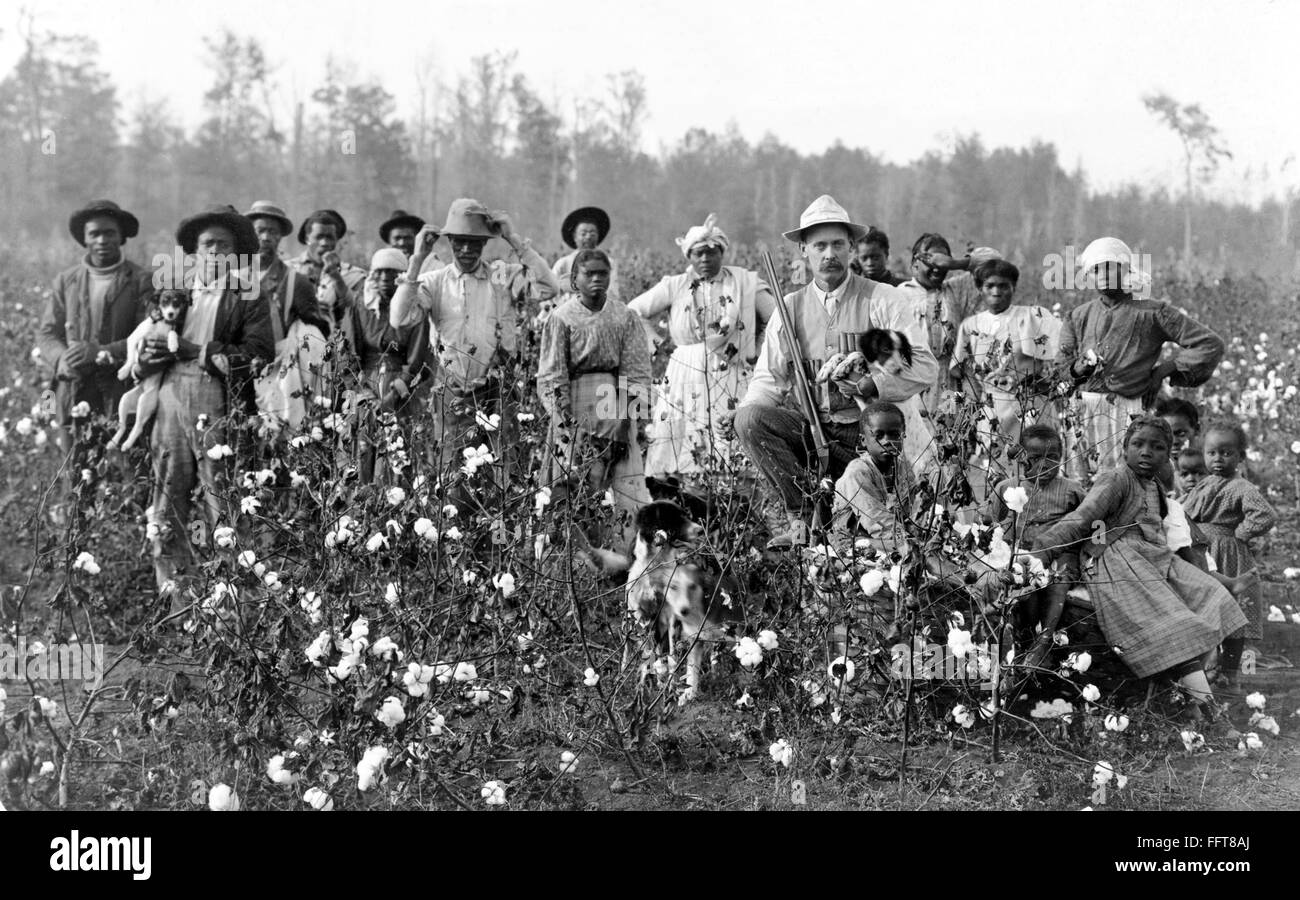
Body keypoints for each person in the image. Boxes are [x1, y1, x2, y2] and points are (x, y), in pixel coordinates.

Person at [734, 195, 936, 549]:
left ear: (852, 248)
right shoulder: (789, 309)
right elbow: (768, 380)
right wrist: (739, 414)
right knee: (749, 420)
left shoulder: (883, 298)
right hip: (814, 434)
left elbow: (924, 366)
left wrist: (873, 382)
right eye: (820, 245)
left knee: (883, 533)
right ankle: (802, 513)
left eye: (838, 245)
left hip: (872, 437)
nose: (830, 254)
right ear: (803, 251)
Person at [1024, 416, 1247, 719]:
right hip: (1117, 562)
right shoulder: (1116, 479)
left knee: (1219, 601)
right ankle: (1209, 714)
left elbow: (1165, 533)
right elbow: (1082, 520)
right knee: (1175, 625)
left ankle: (1197, 697)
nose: (1146, 452)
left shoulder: (1154, 486)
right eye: (1138, 445)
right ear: (1124, 449)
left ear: (1168, 455)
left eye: (1157, 447)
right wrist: (1040, 553)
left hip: (1154, 559)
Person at [140, 205, 273, 596]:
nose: (214, 252)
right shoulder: (175, 291)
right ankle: (176, 598)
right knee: (167, 493)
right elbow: (149, 337)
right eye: (207, 244)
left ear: (236, 253)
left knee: (222, 496)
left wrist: (198, 350)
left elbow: (258, 354)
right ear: (194, 251)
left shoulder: (247, 296)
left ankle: (230, 600)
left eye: (224, 245)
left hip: (218, 397)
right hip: (169, 396)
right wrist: (150, 356)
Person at [389, 198, 561, 472]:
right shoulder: (435, 281)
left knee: (506, 473)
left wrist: (514, 240)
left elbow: (548, 288)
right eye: (459, 241)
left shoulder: (500, 276)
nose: (467, 249)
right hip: (453, 392)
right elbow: (399, 317)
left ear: (484, 244)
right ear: (450, 242)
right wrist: (417, 259)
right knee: (453, 476)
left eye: (475, 242)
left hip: (498, 389)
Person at [1056, 237, 1223, 479]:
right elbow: (1059, 366)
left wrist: (1164, 369)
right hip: (1082, 410)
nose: (1102, 274)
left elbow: (1209, 344)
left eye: (1109, 266)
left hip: (1129, 408)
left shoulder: (1152, 312)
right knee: (1080, 480)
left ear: (1125, 269)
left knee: (1126, 479)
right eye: (1095, 269)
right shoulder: (1078, 316)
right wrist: (1076, 369)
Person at [626, 213, 775, 485]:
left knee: (730, 438)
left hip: (732, 368)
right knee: (680, 442)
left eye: (711, 252)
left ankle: (733, 498)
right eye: (698, 254)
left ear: (721, 252)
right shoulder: (675, 285)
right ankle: (686, 494)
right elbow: (634, 310)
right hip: (686, 370)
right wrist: (653, 338)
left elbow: (776, 318)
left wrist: (757, 347)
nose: (705, 259)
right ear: (689, 257)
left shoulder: (745, 283)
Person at [37, 200, 154, 517]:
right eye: (95, 234)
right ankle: (75, 547)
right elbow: (47, 333)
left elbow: (147, 336)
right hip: (75, 389)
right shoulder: (67, 281)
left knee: (132, 464)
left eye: (110, 233)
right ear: (84, 239)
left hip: (122, 388)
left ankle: (131, 545)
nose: (102, 240)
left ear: (122, 238)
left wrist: (101, 352)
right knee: (76, 469)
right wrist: (62, 359)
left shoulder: (141, 280)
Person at [536, 249, 651, 545]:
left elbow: (636, 372)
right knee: (575, 485)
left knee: (626, 489)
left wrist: (627, 421)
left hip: (616, 406)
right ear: (575, 280)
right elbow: (552, 376)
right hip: (576, 407)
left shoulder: (624, 316)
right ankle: (577, 563)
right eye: (589, 274)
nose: (597, 279)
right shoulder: (561, 318)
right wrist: (565, 426)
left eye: (603, 273)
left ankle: (622, 561)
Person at [983, 423, 1086, 668]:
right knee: (1020, 580)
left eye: (1052, 458)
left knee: (1058, 580)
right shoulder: (1008, 487)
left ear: (1061, 458)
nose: (1044, 464)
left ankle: (1044, 639)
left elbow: (1091, 522)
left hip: (1060, 552)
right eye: (1036, 457)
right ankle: (1025, 635)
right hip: (1019, 551)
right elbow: (989, 523)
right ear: (1021, 457)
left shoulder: (1072, 490)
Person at [1181, 421, 1277, 676]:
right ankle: (1204, 671)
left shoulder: (1240, 487)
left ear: (1240, 456)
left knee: (1235, 615)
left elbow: (1265, 515)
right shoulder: (1204, 483)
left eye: (1226, 453)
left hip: (1227, 554)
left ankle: (1232, 674)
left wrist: (1240, 533)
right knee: (1202, 609)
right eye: (1211, 453)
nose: (1218, 459)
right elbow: (1187, 508)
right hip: (1200, 551)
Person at [949, 259, 1060, 475]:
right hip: (991, 406)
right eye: (990, 286)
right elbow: (965, 371)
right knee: (994, 465)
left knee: (1033, 462)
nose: (996, 291)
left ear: (1013, 288)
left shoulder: (1031, 316)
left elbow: (1059, 349)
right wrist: (975, 409)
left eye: (1003, 286)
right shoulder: (971, 325)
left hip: (1028, 404)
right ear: (980, 289)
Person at [244, 201, 333, 432]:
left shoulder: (296, 282)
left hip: (277, 375)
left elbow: (318, 331)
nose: (265, 237)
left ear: (280, 237)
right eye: (259, 231)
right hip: (238, 372)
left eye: (272, 232)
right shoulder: (233, 277)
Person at [347, 248, 432, 483]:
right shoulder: (360, 305)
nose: (385, 280)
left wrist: (396, 391)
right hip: (367, 385)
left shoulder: (415, 310)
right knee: (364, 449)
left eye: (392, 274)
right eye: (380, 273)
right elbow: (349, 353)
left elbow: (418, 356)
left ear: (403, 277)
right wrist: (365, 394)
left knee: (398, 451)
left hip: (402, 391)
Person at [894, 233, 999, 412]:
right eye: (930, 262)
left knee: (949, 431)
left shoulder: (956, 290)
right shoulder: (897, 296)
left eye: (942, 263)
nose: (937, 268)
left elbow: (996, 264)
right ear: (914, 263)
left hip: (950, 383)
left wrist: (957, 263)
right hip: (910, 382)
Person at [830, 401, 915, 555]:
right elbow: (877, 521)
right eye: (878, 435)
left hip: (891, 534)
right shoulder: (857, 472)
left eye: (894, 435)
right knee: (911, 548)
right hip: (854, 540)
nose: (887, 441)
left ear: (903, 436)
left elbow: (913, 510)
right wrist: (906, 541)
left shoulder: (904, 467)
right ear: (864, 440)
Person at [285, 209, 368, 342]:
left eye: (330, 237)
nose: (324, 243)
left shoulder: (353, 274)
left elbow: (359, 312)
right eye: (319, 237)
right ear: (307, 238)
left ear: (337, 240)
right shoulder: (288, 269)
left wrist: (335, 276)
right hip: (294, 342)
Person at [553, 206, 619, 300]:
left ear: (598, 236)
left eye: (592, 233)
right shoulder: (563, 263)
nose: (588, 237)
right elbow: (551, 290)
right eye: (583, 234)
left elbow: (613, 293)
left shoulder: (608, 263)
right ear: (575, 237)